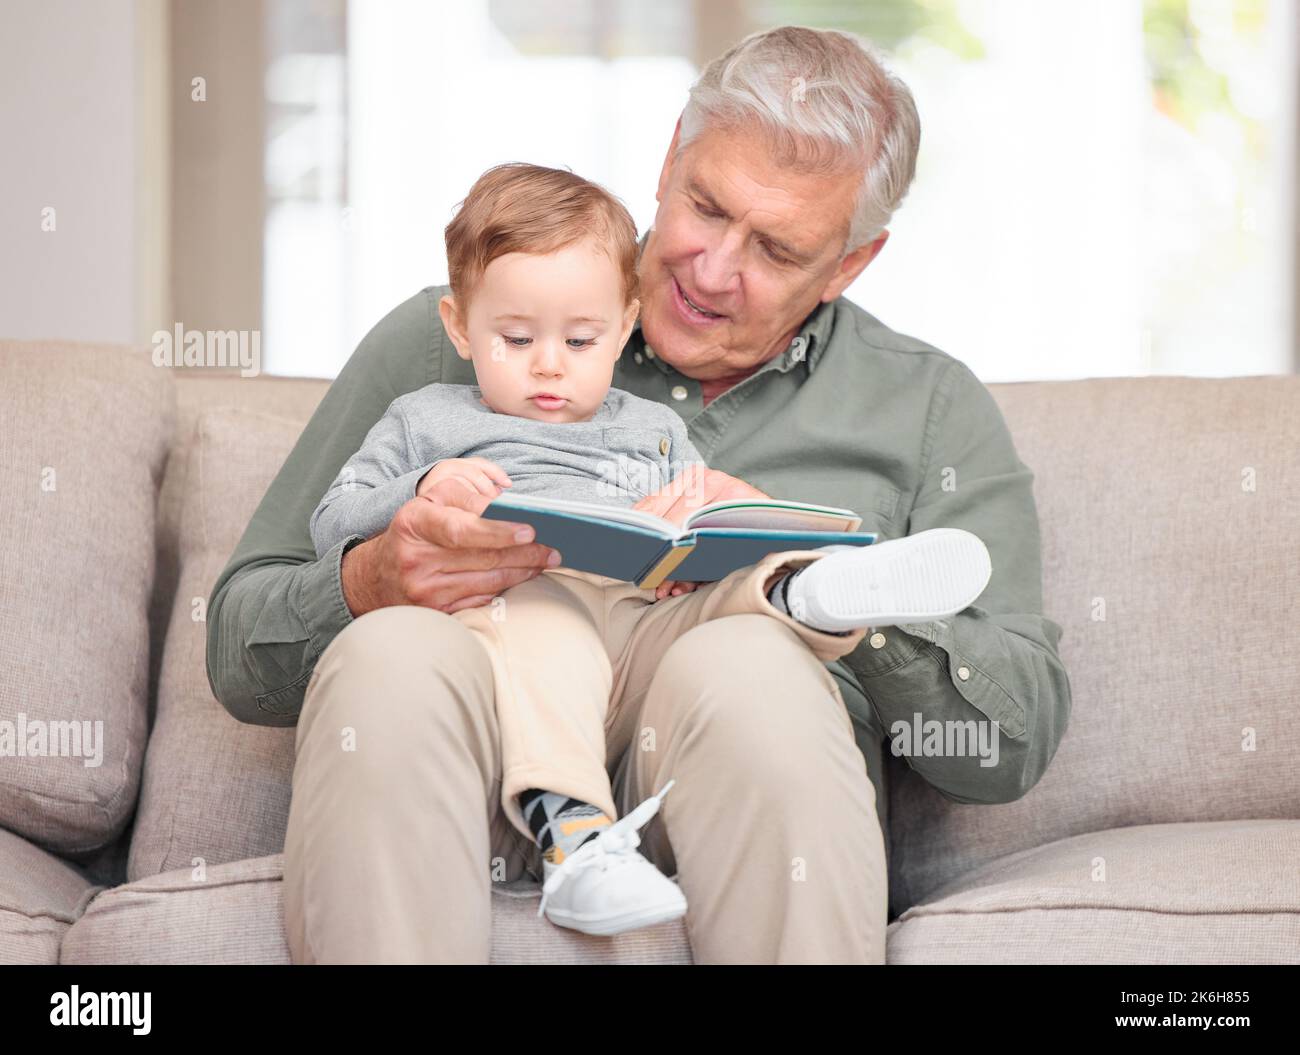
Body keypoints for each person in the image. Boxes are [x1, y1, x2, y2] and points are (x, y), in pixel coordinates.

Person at [206, 25, 1071, 964]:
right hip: (475, 767)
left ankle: (814, 589)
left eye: (776, 250)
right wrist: (374, 578)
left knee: (755, 659)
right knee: (394, 651)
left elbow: (1009, 748)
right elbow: (235, 644)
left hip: (723, 812)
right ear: (669, 157)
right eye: (706, 206)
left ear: (848, 266)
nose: (709, 269)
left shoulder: (928, 408)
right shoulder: (457, 337)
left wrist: (868, 626)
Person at [306, 161, 993, 938]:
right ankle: (576, 835)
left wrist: (712, 521)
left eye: (580, 338)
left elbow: (689, 531)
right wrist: (420, 489)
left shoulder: (649, 427)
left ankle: (807, 589)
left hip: (640, 631)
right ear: (460, 325)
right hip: (520, 607)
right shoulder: (427, 418)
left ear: (622, 327)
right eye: (517, 337)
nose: (549, 364)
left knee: (738, 620)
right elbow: (332, 519)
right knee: (544, 622)